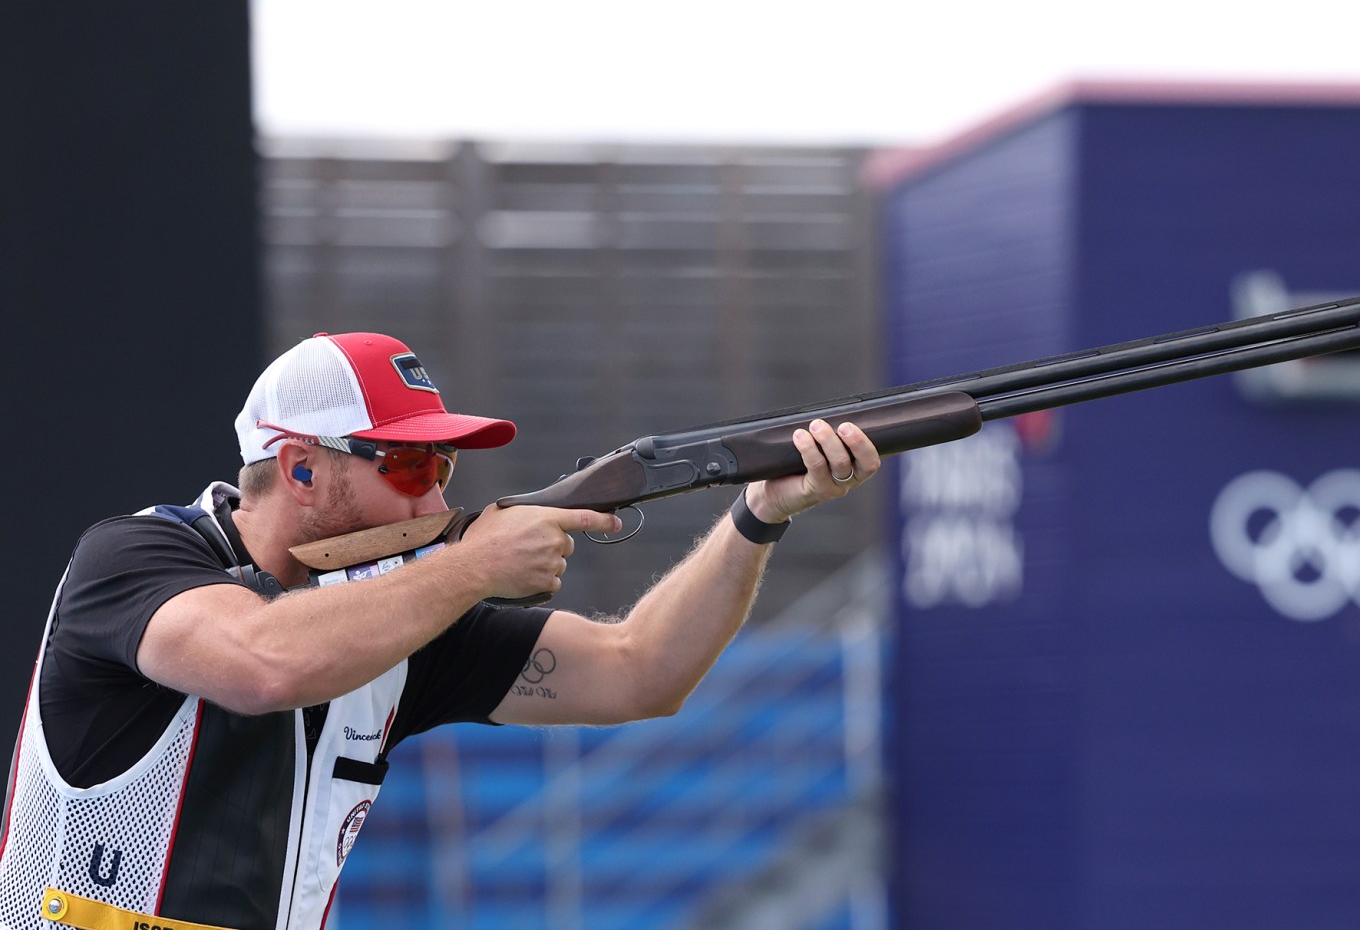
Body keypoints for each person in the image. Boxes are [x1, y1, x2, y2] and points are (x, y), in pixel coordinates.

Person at [0, 331, 878, 930]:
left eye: (443, 463)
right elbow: (262, 662)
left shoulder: (397, 614)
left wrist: (757, 517)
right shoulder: (134, 556)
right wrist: (474, 566)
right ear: (299, 468)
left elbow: (639, 670)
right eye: (409, 463)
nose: (436, 498)